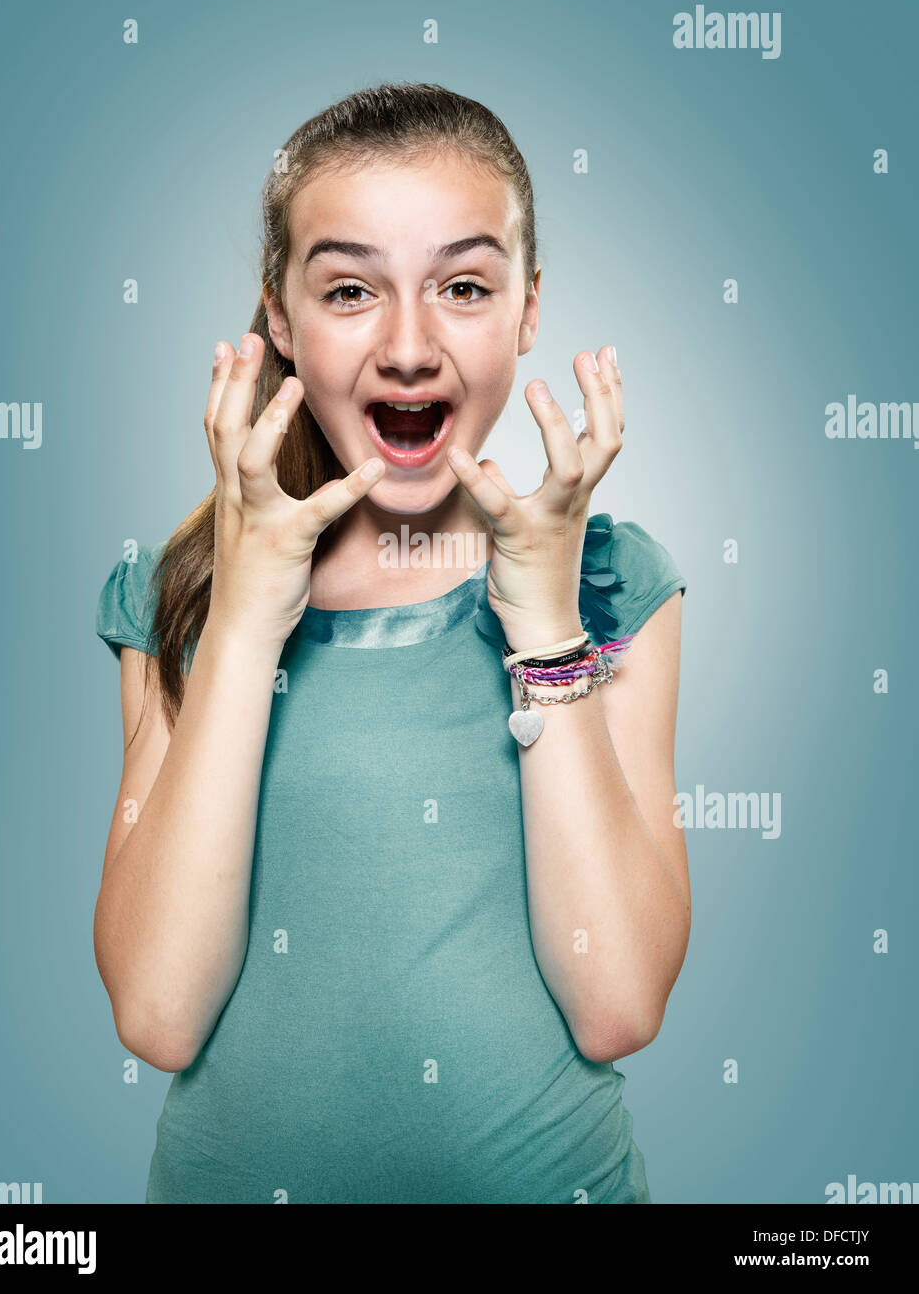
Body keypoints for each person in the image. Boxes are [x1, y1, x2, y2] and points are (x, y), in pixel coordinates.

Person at [93, 81, 690, 1204]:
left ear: (525, 310)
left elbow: (617, 1001)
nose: (409, 347)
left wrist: (543, 624)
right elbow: (159, 1012)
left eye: (462, 286)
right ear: (278, 314)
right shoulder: (178, 594)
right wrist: (246, 614)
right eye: (351, 289)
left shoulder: (615, 588)